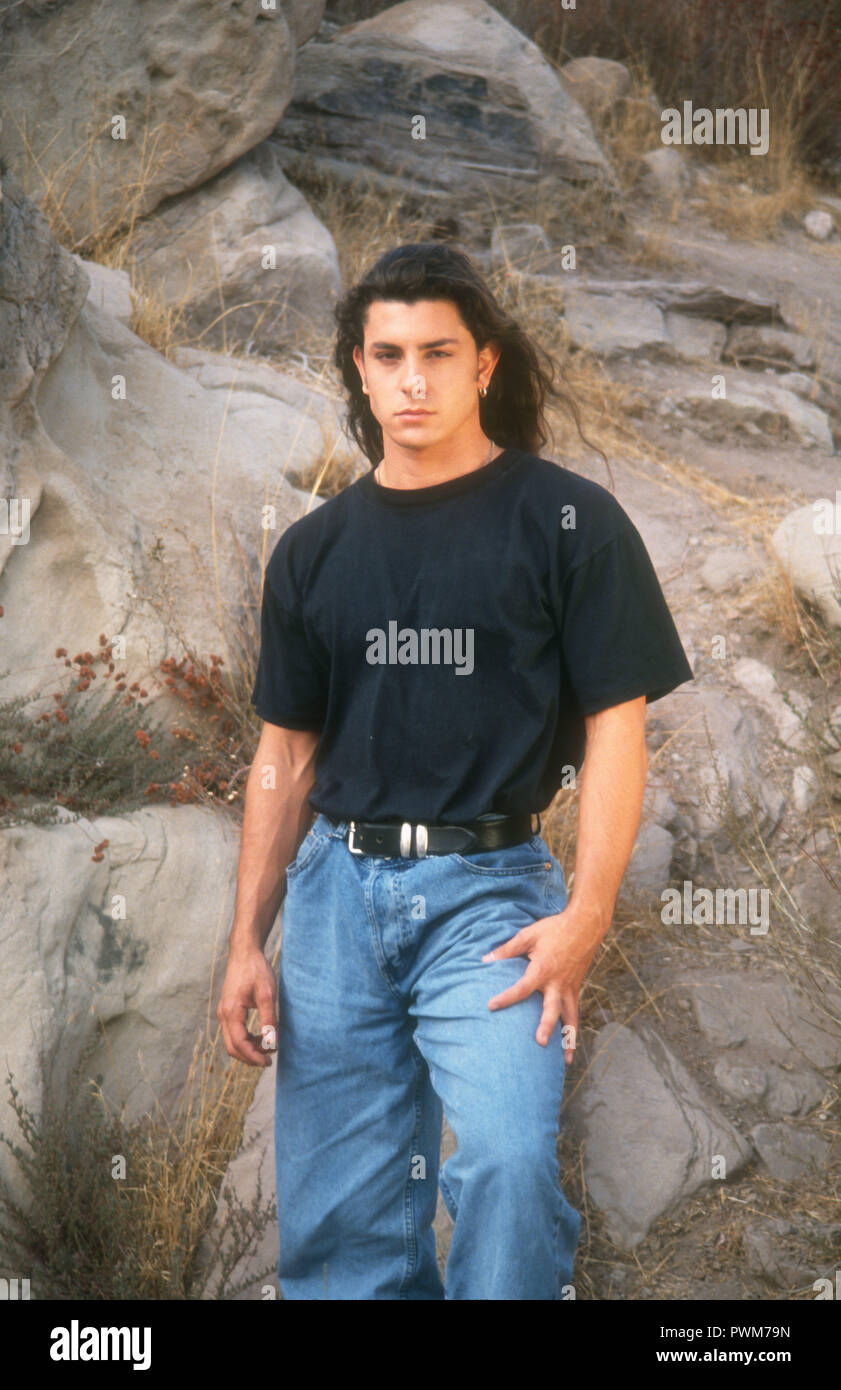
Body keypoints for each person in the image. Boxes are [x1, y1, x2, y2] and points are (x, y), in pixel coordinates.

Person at [217, 241, 694, 1300]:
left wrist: (589, 913)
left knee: (509, 1165)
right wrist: (248, 937)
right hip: (336, 902)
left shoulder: (567, 521)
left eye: (438, 351)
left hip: (491, 902)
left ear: (485, 363)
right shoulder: (314, 549)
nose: (412, 379)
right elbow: (284, 758)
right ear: (358, 367)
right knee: (343, 1223)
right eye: (387, 356)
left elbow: (619, 730)